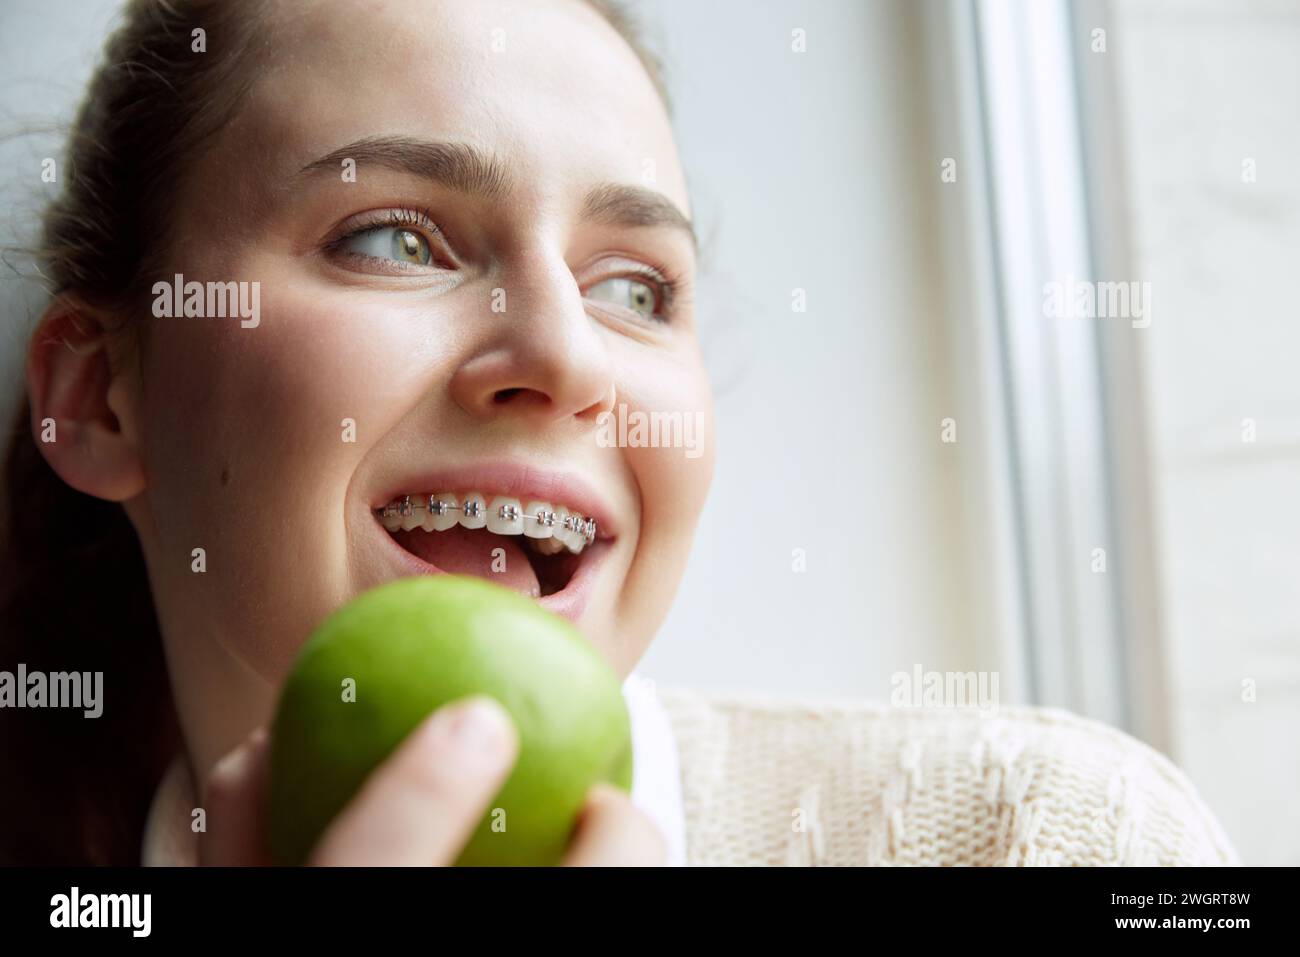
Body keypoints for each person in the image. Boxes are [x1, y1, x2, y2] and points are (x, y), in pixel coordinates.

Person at [0, 0, 1239, 867]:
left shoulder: (1048, 844)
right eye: (390, 238)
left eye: (634, 288)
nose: (567, 357)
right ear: (101, 395)